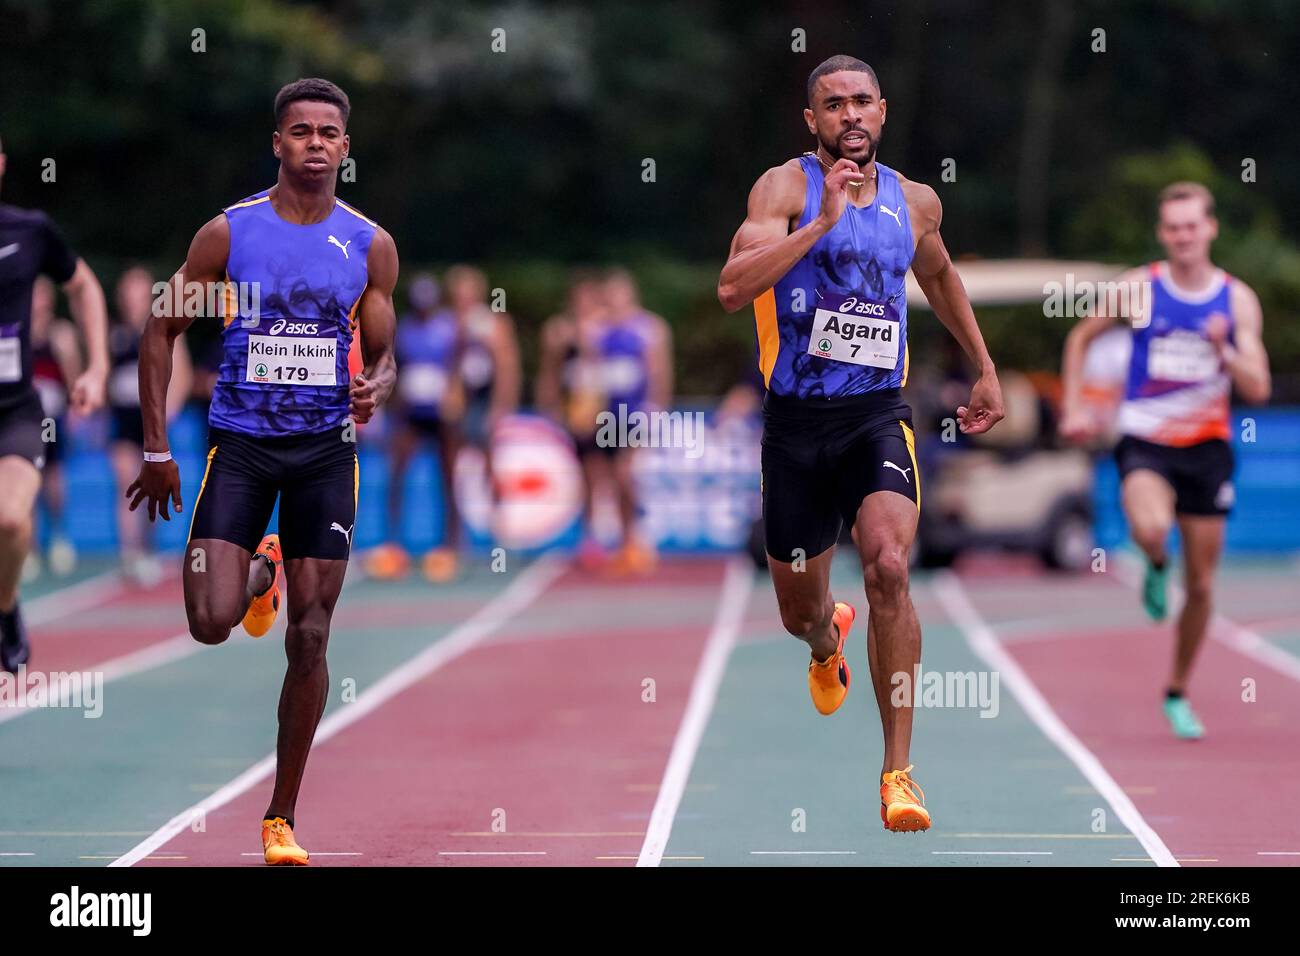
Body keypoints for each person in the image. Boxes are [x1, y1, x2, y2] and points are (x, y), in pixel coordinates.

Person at [716, 55, 1004, 831]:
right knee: (796, 611)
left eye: (862, 102)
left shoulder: (915, 202)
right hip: (795, 426)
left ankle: (898, 773)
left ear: (884, 110)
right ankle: (823, 640)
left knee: (889, 566)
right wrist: (820, 226)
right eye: (832, 104)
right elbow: (733, 287)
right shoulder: (784, 189)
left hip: (877, 416)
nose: (850, 115)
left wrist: (983, 367)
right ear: (812, 121)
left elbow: (939, 278)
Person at [126, 78, 399, 864]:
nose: (316, 143)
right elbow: (159, 327)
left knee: (310, 636)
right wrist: (155, 447)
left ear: (346, 149)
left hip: (323, 454)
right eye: (300, 131)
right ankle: (256, 574)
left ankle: (281, 817)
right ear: (277, 143)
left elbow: (383, 359)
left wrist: (374, 387)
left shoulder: (369, 244)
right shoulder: (229, 234)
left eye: (329, 134)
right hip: (242, 447)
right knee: (208, 623)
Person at [1060, 182, 1271, 740]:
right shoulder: (1139, 287)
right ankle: (1154, 563)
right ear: (1162, 233)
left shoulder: (1237, 299)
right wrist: (1077, 405)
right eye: (1173, 227)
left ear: (1210, 229)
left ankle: (1177, 690)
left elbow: (1259, 386)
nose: (1183, 235)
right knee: (1150, 526)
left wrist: (1224, 348)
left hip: (1207, 448)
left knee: (1201, 585)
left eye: (1191, 225)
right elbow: (1081, 337)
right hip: (1145, 440)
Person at [0, 132, 110, 672]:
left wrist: (96, 367)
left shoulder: (30, 230)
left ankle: (5, 607)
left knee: (11, 523)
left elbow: (84, 285)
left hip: (16, 412)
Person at [109, 266, 192, 585]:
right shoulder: (114, 333)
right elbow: (104, 375)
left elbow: (181, 373)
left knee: (151, 485)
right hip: (123, 420)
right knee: (125, 483)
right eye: (128, 293)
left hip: (152, 422)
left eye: (138, 293)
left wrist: (166, 412)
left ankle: (148, 548)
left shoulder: (164, 329)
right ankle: (130, 554)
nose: (133, 300)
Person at [27, 276, 83, 578]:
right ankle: (29, 548)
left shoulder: (60, 333)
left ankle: (60, 537)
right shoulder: (15, 331)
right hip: (24, 418)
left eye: (42, 295)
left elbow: (73, 376)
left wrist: (76, 408)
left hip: (52, 418)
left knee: (52, 478)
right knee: (27, 480)